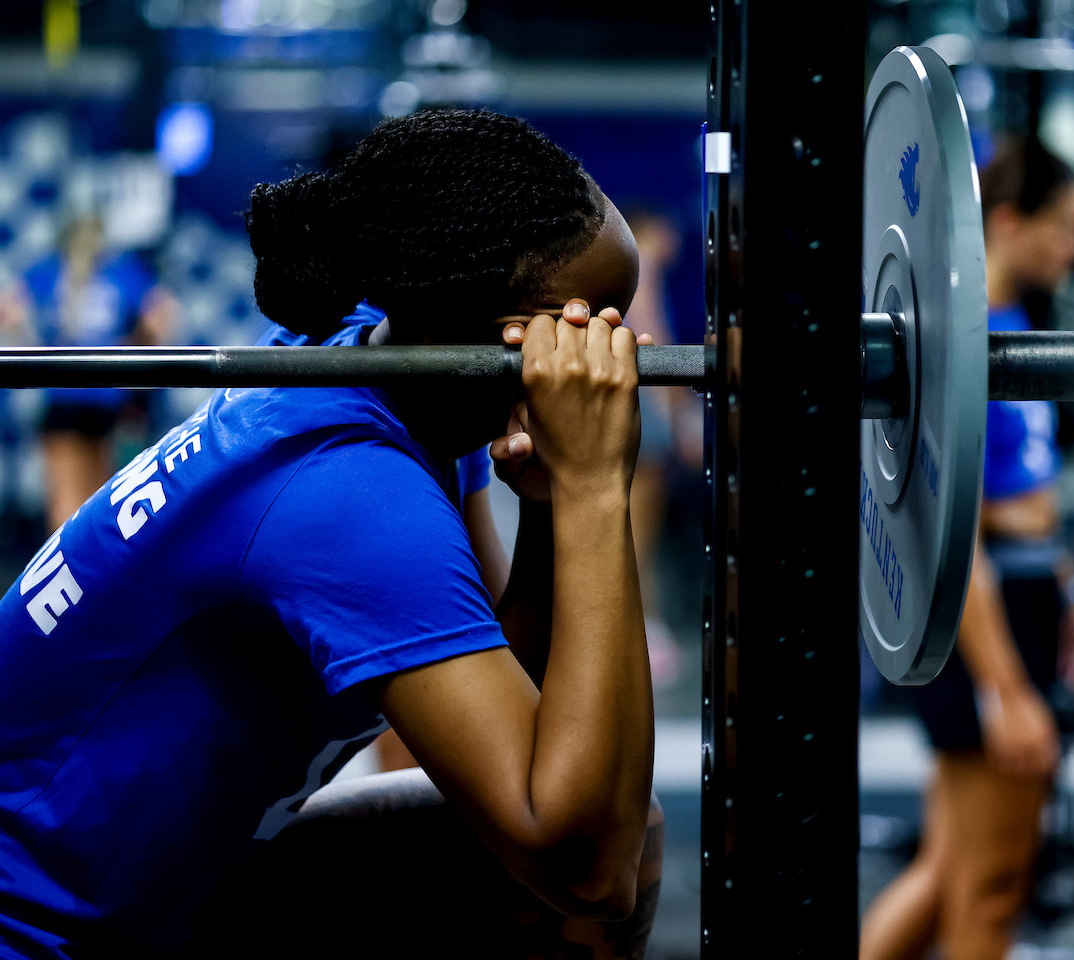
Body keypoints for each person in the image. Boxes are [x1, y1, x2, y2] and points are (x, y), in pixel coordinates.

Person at [0, 110, 662, 959]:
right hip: (36, 929)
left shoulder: (385, 366)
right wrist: (597, 487)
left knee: (617, 824)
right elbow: (586, 869)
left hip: (161, 890)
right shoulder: (349, 490)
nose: (605, 358)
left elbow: (527, 701)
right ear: (453, 328)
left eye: (613, 325)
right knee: (591, 856)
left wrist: (550, 507)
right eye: (577, 326)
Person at [859, 136, 1074, 960]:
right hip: (984, 624)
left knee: (947, 875)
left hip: (1024, 605)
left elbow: (1025, 499)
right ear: (1007, 223)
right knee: (993, 890)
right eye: (1062, 226)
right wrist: (1007, 690)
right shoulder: (961, 354)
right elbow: (952, 533)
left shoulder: (1015, 330)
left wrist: (1069, 592)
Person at [0, 216, 175, 533]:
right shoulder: (120, 272)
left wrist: (38, 348)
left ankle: (63, 560)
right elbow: (160, 317)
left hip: (62, 394)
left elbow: (9, 311)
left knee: (64, 497)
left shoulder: (51, 270)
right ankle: (92, 562)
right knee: (99, 497)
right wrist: (131, 351)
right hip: (106, 395)